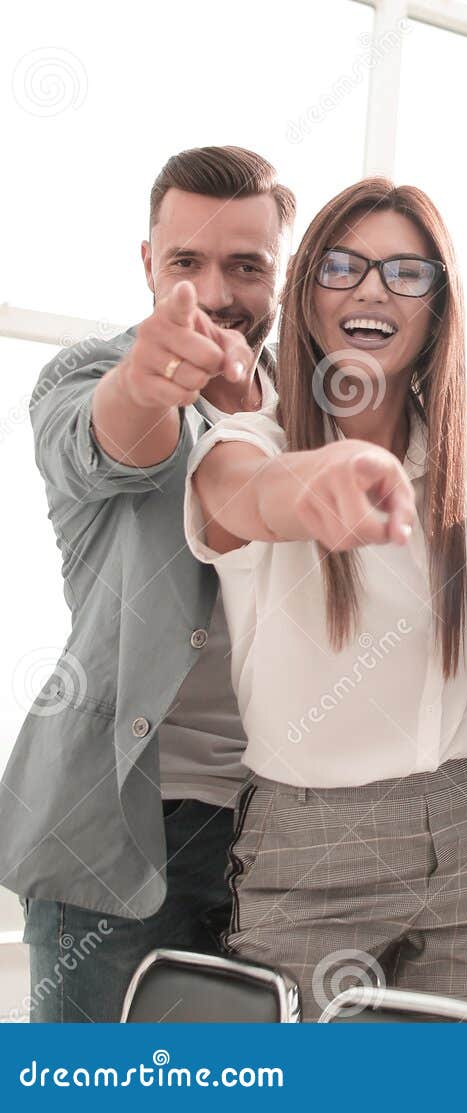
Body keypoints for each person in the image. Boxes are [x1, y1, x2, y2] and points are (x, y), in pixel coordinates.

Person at [185, 178, 467, 1013]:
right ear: (306, 297)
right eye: (342, 267)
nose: (373, 289)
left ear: (438, 309)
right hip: (314, 843)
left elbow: (446, 639)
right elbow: (249, 494)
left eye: (405, 273)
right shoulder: (248, 443)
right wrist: (315, 479)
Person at [2, 146, 288, 1022]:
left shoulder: (310, 409)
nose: (214, 291)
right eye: (186, 263)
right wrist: (147, 379)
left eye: (246, 265)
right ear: (147, 265)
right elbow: (117, 441)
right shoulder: (87, 375)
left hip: (278, 836)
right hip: (120, 829)